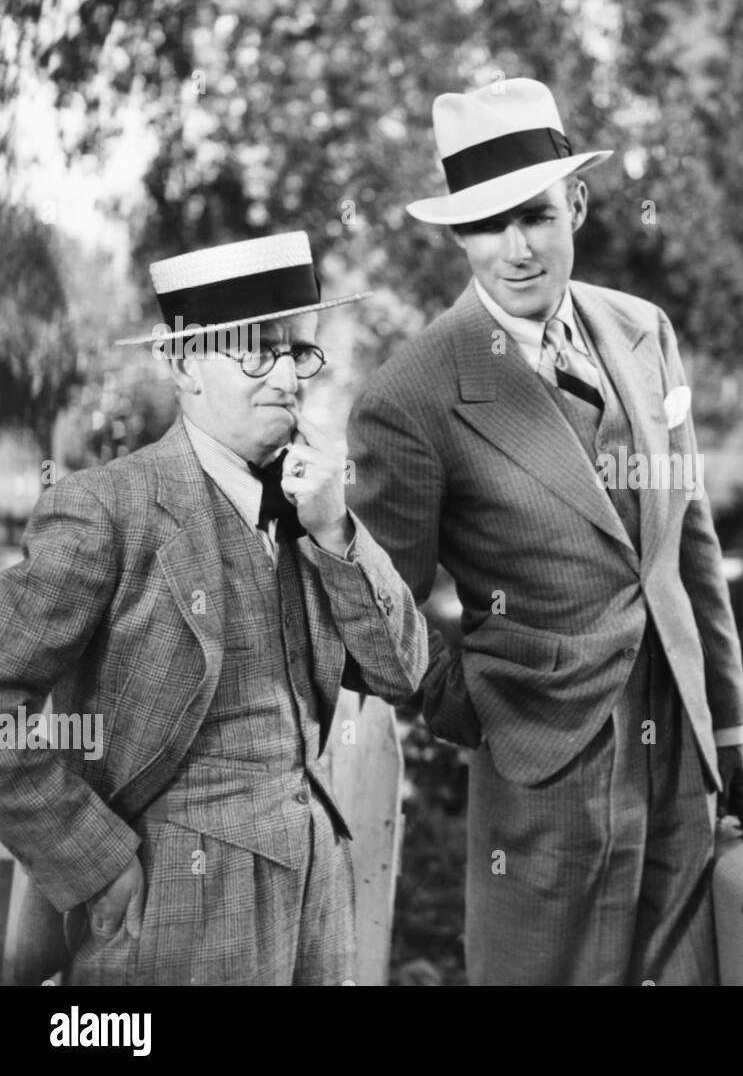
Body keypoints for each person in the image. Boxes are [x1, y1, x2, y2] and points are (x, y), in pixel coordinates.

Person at [348, 78, 743, 985]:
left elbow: (690, 544)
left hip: (681, 737)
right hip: (545, 759)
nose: (517, 249)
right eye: (488, 226)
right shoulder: (412, 394)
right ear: (460, 236)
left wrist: (728, 720)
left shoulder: (643, 330)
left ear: (575, 201)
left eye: (534, 214)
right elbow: (377, 612)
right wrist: (477, 699)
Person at [0, 232, 427, 985]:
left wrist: (337, 531)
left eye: (300, 351)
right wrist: (93, 862)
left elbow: (404, 670)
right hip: (168, 911)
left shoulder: (312, 505)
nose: (288, 377)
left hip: (315, 903)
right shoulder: (106, 510)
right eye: (258, 350)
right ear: (184, 359)